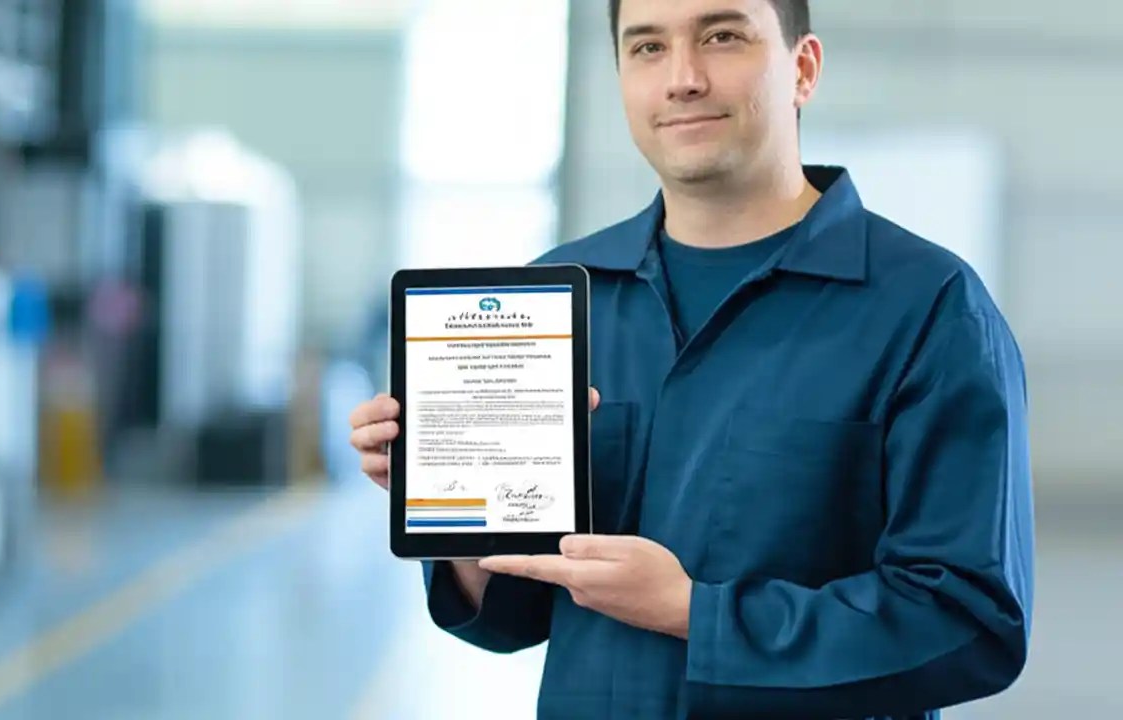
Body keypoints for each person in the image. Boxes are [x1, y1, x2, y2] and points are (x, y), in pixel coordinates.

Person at [349, 0, 1034, 717]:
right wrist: (453, 506)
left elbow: (968, 623)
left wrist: (695, 613)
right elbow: (514, 614)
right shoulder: (555, 299)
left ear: (802, 69)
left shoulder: (927, 308)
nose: (683, 78)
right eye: (647, 48)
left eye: (722, 37)